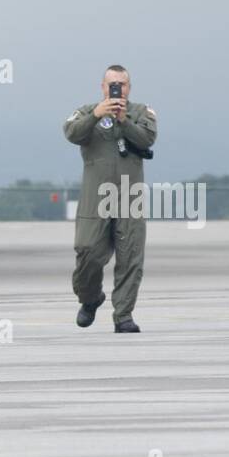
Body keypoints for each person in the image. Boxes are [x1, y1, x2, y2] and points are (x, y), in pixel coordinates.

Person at [63, 64, 158, 333]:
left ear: (129, 87)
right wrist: (96, 115)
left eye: (122, 84)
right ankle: (90, 298)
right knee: (87, 250)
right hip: (96, 195)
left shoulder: (141, 113)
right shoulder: (86, 111)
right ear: (103, 87)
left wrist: (123, 120)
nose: (118, 89)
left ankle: (123, 315)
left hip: (130, 195)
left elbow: (148, 138)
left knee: (131, 256)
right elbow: (71, 133)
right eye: (112, 84)